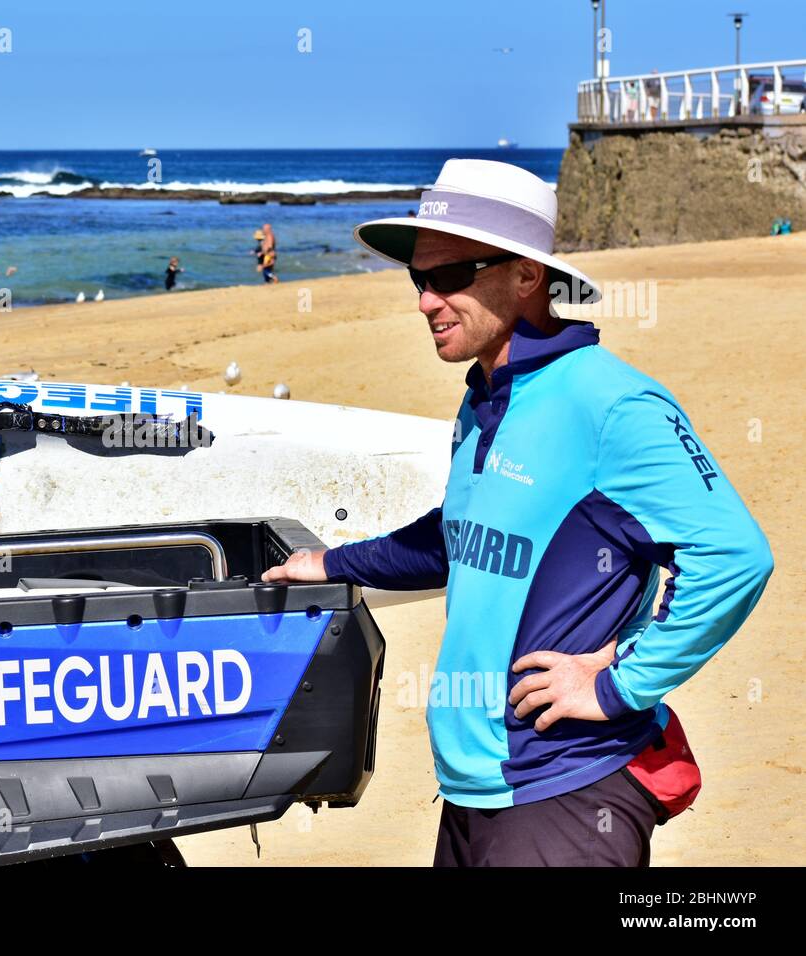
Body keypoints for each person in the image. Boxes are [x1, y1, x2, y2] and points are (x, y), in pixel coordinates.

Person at [263, 159, 774, 867]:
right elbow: (457, 540)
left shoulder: (610, 404)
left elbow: (736, 556)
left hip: (565, 792)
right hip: (475, 788)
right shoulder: (481, 399)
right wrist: (329, 563)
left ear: (527, 276)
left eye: (449, 278)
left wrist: (621, 678)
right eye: (419, 280)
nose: (425, 302)